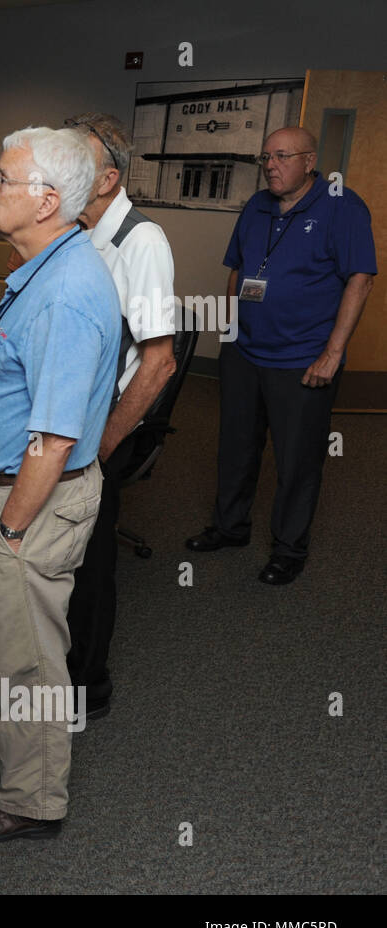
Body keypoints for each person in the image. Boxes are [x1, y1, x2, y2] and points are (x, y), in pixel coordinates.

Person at [0, 127, 119, 842]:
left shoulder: (67, 293)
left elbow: (54, 440)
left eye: (2, 180)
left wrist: (12, 527)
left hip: (34, 498)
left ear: (47, 200)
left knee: (29, 659)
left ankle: (30, 799)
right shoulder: (49, 266)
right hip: (20, 487)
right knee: (11, 640)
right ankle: (7, 737)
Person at [186, 125, 375, 585]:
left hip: (303, 360)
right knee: (235, 447)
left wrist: (333, 353)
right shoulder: (256, 206)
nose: (270, 165)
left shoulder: (341, 205)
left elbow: (361, 278)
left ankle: (289, 550)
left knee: (297, 459)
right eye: (265, 157)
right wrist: (230, 330)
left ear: (310, 162)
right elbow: (238, 269)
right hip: (246, 353)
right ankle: (230, 528)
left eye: (282, 156)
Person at [56, 112, 177, 719]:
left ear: (105, 179)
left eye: (73, 162)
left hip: (105, 425)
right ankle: (39, 667)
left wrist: (103, 446)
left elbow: (158, 364)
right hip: (66, 416)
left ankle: (85, 684)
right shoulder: (76, 231)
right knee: (53, 548)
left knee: (88, 555)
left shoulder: (141, 241)